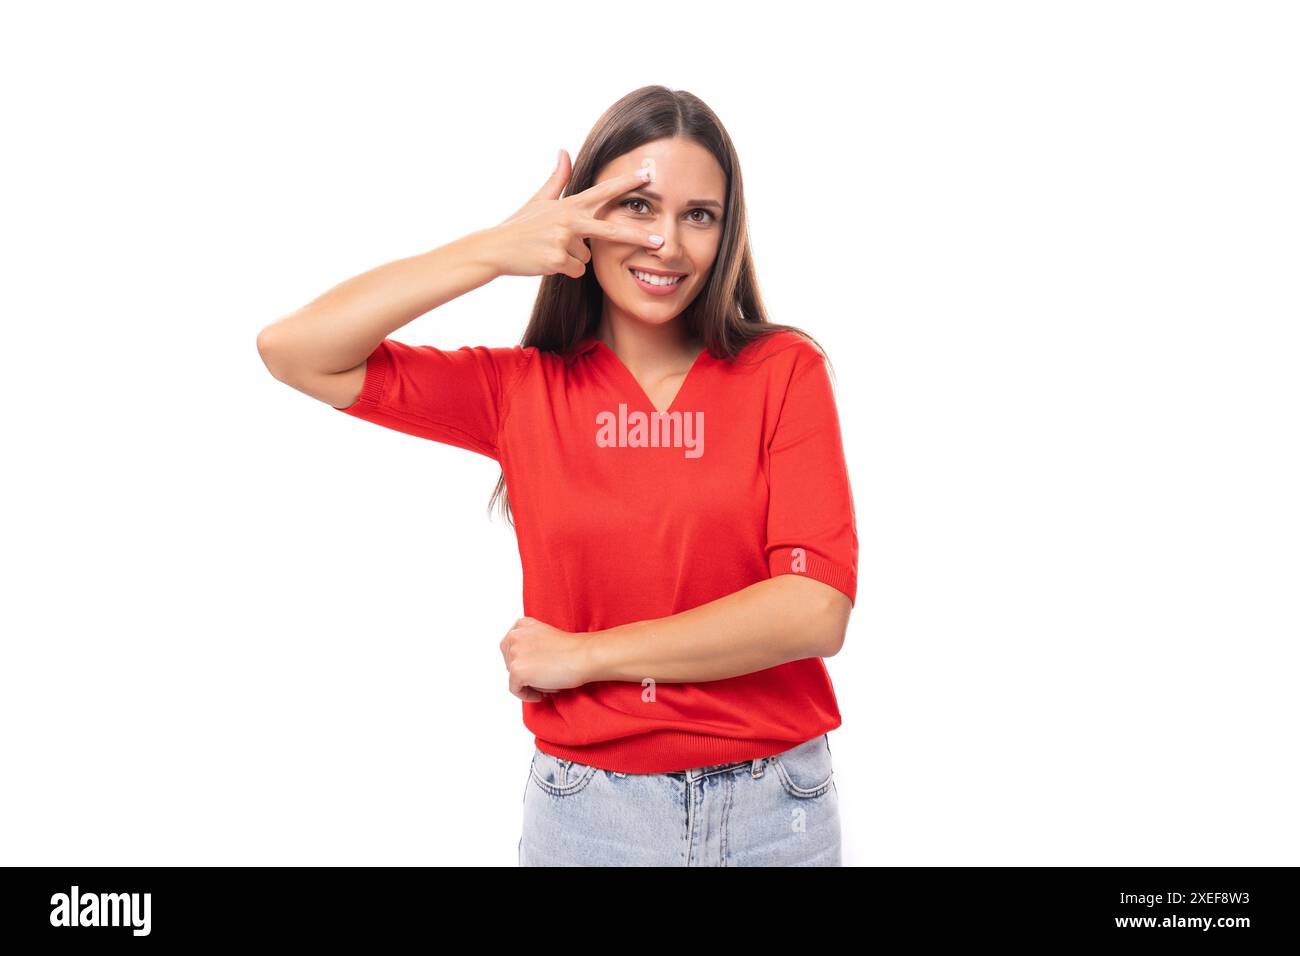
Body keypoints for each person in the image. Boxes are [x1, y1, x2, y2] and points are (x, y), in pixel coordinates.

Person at [256, 85, 858, 866]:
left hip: (777, 813)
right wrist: (494, 249)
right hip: (591, 815)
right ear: (583, 217)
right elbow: (294, 349)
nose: (667, 244)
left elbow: (814, 611)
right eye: (637, 206)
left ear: (726, 231)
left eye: (698, 215)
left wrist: (587, 656)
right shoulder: (520, 391)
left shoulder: (784, 372)